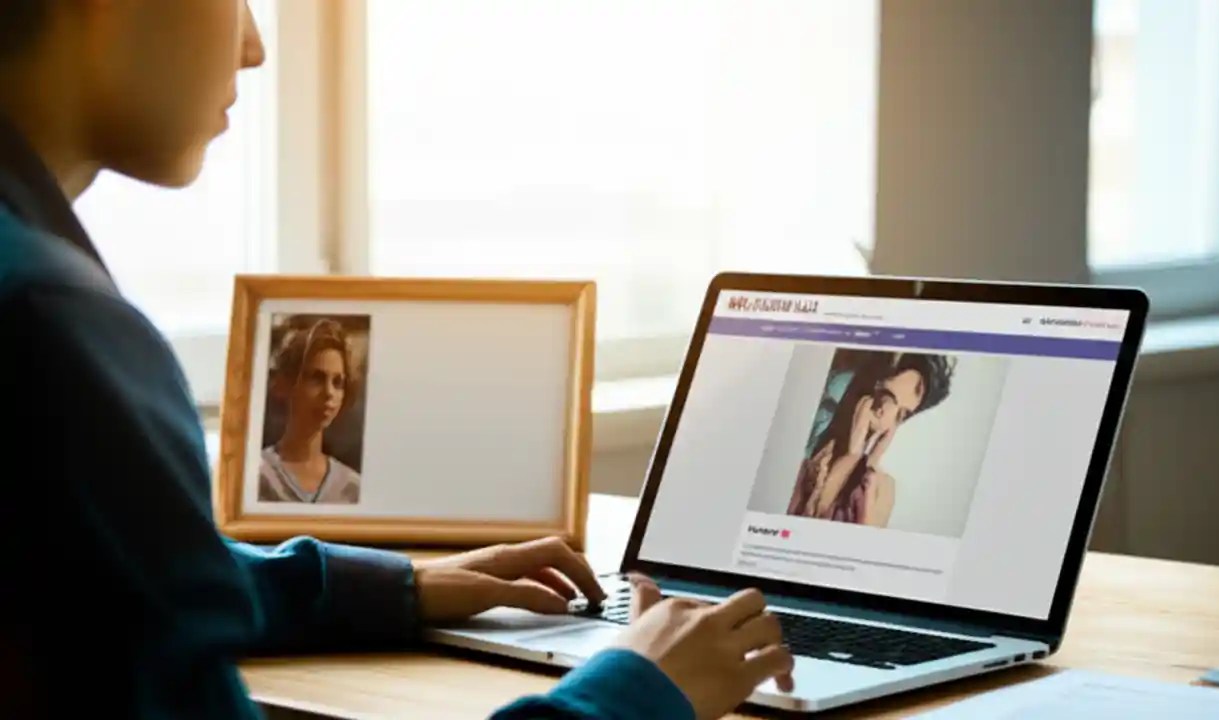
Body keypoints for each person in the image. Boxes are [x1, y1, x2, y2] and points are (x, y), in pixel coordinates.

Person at [0, 2, 794, 719]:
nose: (253, 47)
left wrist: (401, 588)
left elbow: (85, 599)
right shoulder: (54, 333)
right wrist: (634, 688)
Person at [787, 352, 954, 527]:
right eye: (886, 396)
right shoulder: (807, 449)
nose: (884, 413)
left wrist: (866, 462)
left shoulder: (881, 489)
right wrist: (850, 457)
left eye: (901, 414)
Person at [259, 318, 362, 504]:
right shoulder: (258, 476)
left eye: (338, 383)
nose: (329, 393)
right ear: (285, 385)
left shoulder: (353, 488)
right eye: (316, 378)